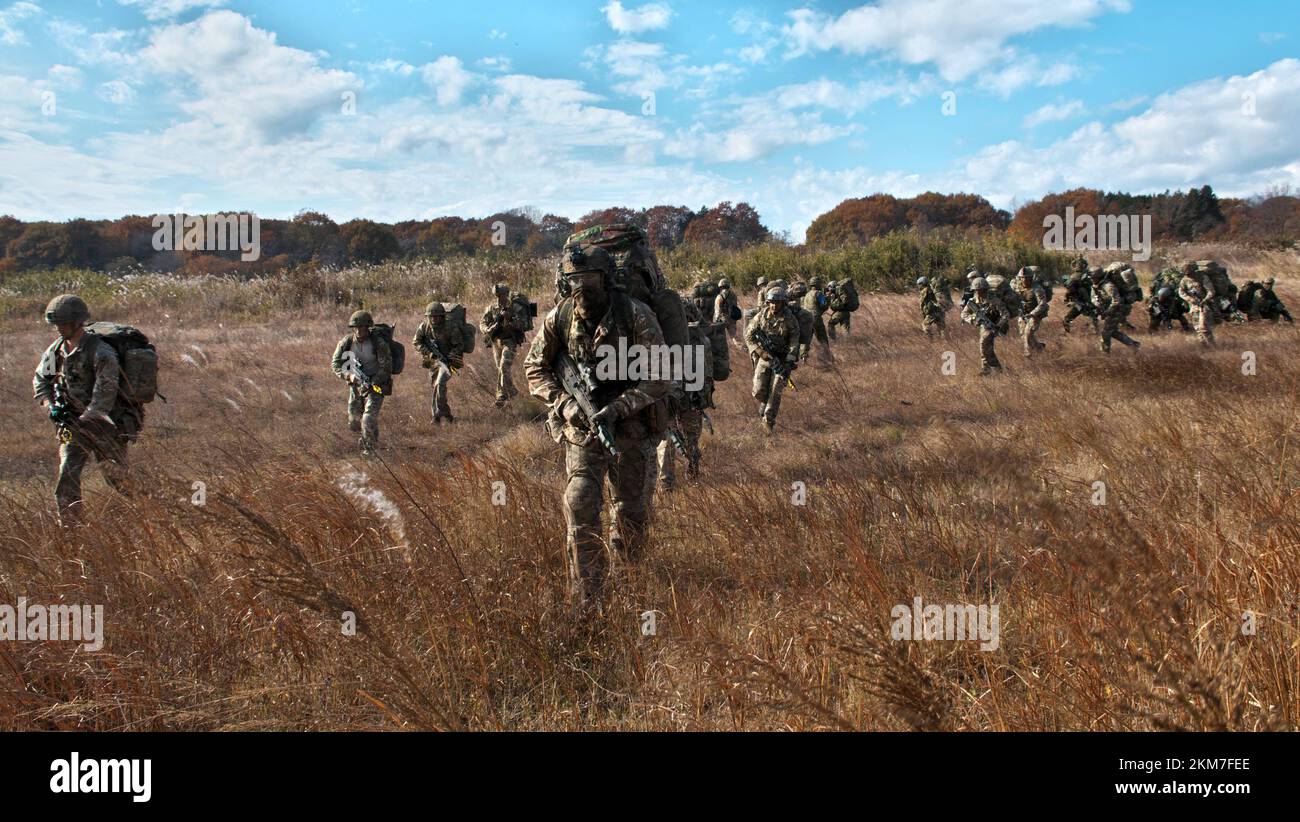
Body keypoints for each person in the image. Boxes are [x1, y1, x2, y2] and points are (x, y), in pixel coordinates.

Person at [523, 243, 670, 617]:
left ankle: (631, 585)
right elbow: (535, 368)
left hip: (631, 429)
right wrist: (566, 404)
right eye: (574, 282)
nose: (581, 291)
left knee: (631, 512)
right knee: (579, 501)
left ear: (606, 281)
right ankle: (589, 598)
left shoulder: (635, 316)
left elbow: (660, 377)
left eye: (588, 282)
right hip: (582, 431)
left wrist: (619, 407)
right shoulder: (561, 317)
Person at [32, 294, 135, 526]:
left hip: (105, 428)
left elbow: (105, 393)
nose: (59, 328)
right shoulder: (56, 350)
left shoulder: (101, 352)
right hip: (72, 426)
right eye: (56, 324)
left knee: (119, 481)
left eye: (64, 323)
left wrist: (86, 417)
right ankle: (72, 533)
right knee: (66, 480)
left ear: (78, 322)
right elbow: (41, 380)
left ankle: (155, 513)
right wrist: (52, 407)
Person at [331, 310, 393, 453]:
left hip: (377, 385)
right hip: (356, 385)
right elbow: (335, 364)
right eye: (356, 327)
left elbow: (386, 367)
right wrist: (348, 376)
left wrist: (372, 382)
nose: (359, 331)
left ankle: (369, 451)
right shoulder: (346, 342)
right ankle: (369, 436)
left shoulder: (379, 343)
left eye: (362, 327)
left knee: (368, 418)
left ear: (368, 327)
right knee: (354, 422)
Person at [745, 286, 801, 433]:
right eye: (771, 302)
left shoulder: (790, 319)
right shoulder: (761, 316)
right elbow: (749, 335)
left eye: (777, 302)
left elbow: (795, 340)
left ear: (783, 303)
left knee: (775, 392)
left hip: (781, 359)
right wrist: (759, 351)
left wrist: (789, 360)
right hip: (764, 357)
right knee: (758, 390)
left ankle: (768, 424)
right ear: (767, 302)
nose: (774, 305)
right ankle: (764, 403)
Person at [413, 302, 465, 424]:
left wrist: (450, 356)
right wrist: (428, 352)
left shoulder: (450, 327)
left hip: (448, 362)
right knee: (436, 388)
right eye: (431, 317)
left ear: (442, 316)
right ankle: (447, 415)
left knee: (439, 385)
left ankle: (436, 417)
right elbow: (416, 342)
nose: (434, 319)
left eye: (437, 316)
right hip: (432, 362)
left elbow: (459, 345)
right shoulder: (424, 327)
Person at [480, 283, 528, 407]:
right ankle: (513, 392)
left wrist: (510, 319)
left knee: (504, 365)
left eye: (501, 295)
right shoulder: (491, 308)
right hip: (496, 342)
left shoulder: (515, 308)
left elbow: (523, 324)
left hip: (510, 341)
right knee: (501, 369)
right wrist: (488, 329)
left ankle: (501, 395)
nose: (499, 298)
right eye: (497, 295)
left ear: (507, 295)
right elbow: (483, 323)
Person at [960, 277, 1009, 375]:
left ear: (986, 289)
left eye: (982, 290)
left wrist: (999, 325)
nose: (979, 293)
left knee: (984, 344)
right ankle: (987, 369)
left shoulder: (994, 300)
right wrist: (973, 320)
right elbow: (964, 314)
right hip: (984, 325)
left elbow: (1005, 314)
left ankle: (996, 368)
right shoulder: (973, 301)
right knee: (983, 346)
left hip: (995, 325)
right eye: (977, 290)